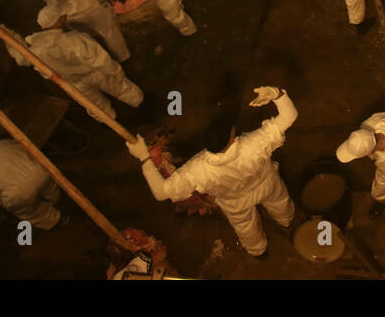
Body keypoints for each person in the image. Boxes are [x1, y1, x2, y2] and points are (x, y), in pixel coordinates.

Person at [126, 87, 297, 257]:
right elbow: (290, 116)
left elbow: (161, 192)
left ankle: (258, 251)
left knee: (245, 227)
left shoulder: (198, 168)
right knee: (280, 202)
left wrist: (144, 159)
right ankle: (286, 221)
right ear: (232, 136)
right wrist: (278, 95)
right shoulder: (255, 142)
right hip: (267, 184)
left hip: (234, 202)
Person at [20, 6, 143, 119]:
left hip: (73, 84)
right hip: (95, 73)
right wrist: (116, 72)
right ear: (57, 21)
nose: (65, 18)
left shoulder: (34, 52)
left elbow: (45, 72)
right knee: (123, 89)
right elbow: (100, 60)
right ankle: (144, 109)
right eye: (61, 17)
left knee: (98, 108)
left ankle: (118, 125)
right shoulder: (74, 40)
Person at [0, 133, 64, 228]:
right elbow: (28, 151)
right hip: (38, 173)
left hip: (19, 194)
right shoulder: (4, 144)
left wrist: (3, 203)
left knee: (32, 212)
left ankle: (58, 220)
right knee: (50, 188)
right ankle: (59, 202)